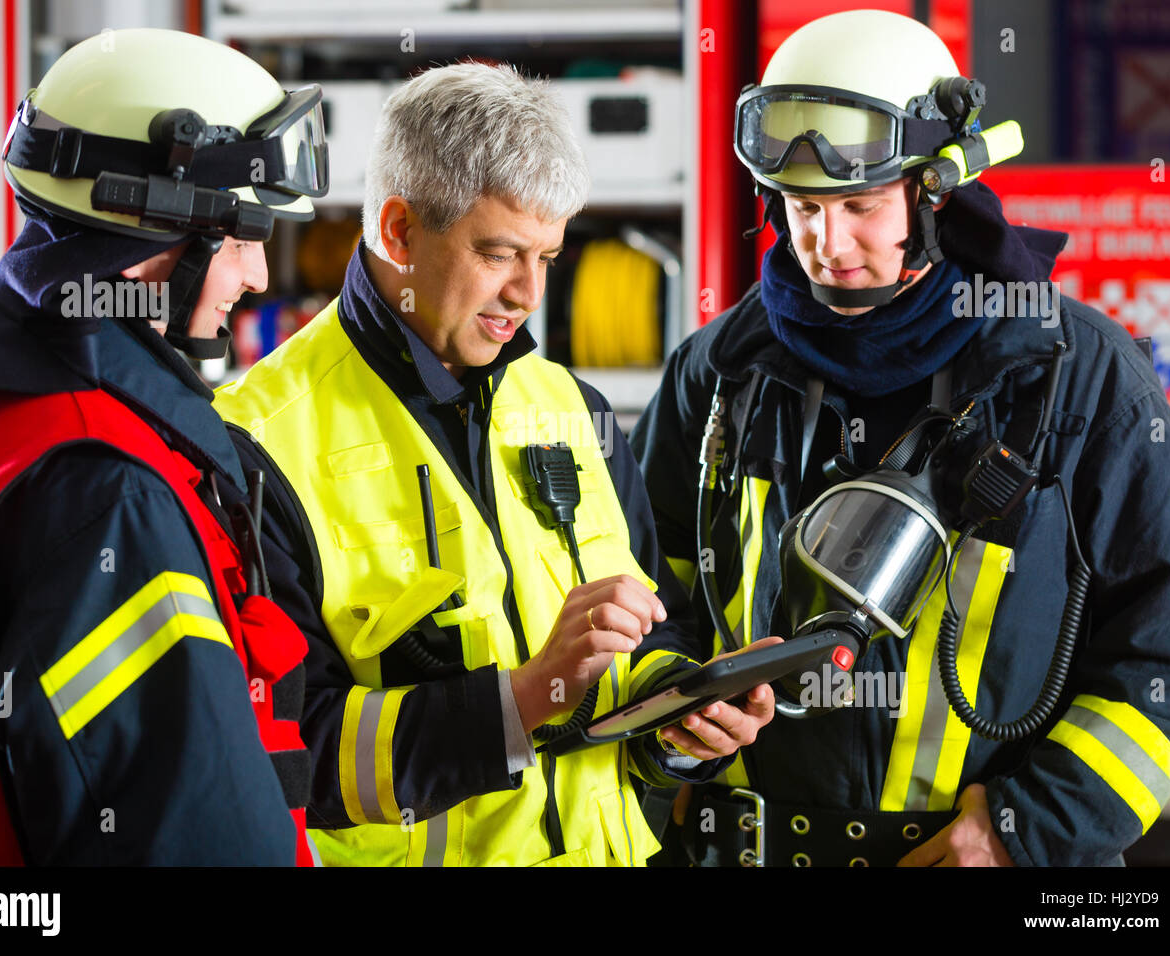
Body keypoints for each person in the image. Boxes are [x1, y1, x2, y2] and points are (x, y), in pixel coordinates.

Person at [631, 8, 1170, 867]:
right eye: (800, 207)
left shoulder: (1077, 378)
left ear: (936, 191)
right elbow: (642, 599)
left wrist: (1026, 831)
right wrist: (668, 712)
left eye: (860, 206)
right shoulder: (720, 370)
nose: (827, 245)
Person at [214, 62, 776, 867]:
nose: (528, 292)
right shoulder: (255, 444)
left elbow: (661, 628)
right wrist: (521, 702)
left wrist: (686, 725)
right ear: (399, 231)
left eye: (547, 255)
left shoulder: (576, 412)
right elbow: (281, 756)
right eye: (501, 252)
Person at [0, 28, 328, 865]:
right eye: (243, 238)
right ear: (152, 240)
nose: (256, 277)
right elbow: (193, 827)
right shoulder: (109, 490)